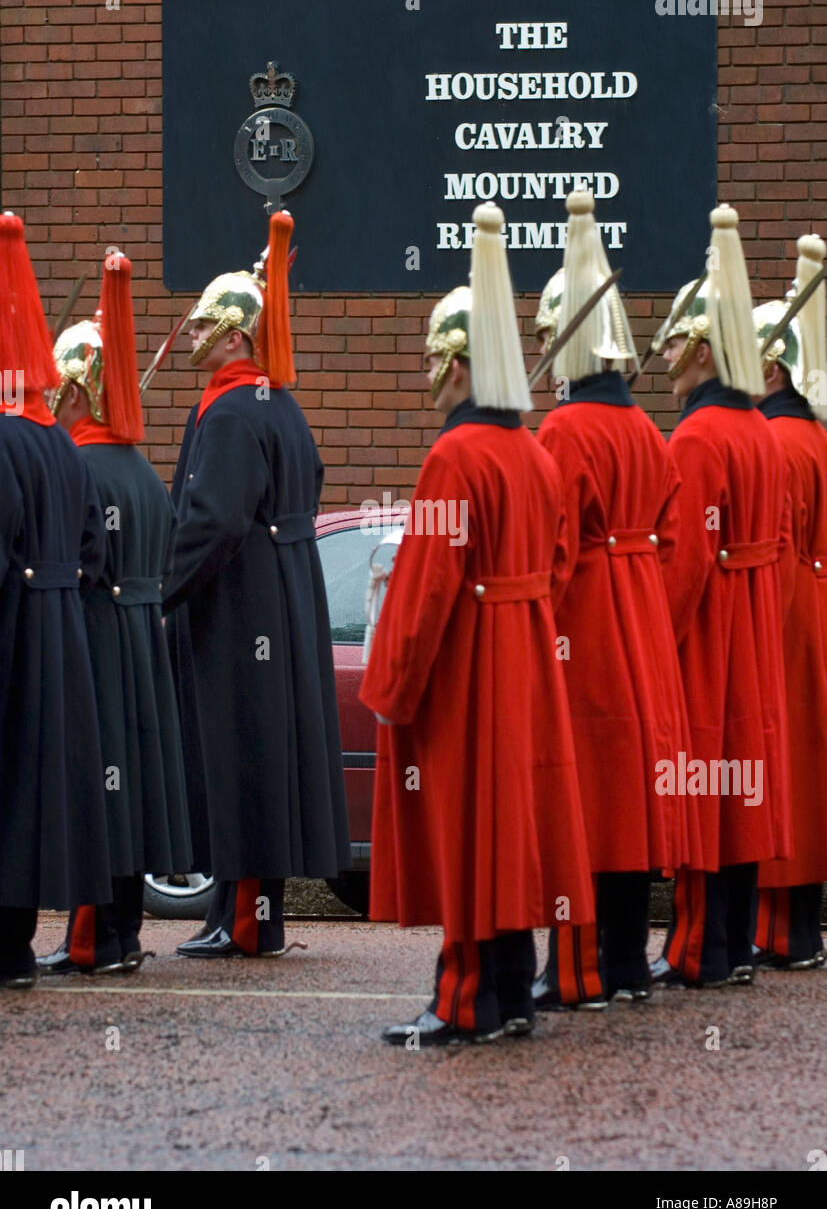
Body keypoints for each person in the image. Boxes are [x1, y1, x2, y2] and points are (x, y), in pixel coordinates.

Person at [360, 201, 594, 1047]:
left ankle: (464, 1000)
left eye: (432, 355)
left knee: (469, 832)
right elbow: (562, 560)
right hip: (525, 650)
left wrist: (392, 684)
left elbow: (425, 587)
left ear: (456, 361)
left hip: (471, 665)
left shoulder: (454, 455)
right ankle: (509, 993)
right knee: (512, 831)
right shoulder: (533, 452)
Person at [531, 190, 702, 1011]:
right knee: (630, 795)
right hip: (636, 616)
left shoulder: (563, 432)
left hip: (588, 620)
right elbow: (673, 543)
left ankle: (576, 967)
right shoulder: (647, 430)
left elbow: (556, 550)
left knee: (582, 794)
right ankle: (627, 963)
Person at [163, 212, 350, 958]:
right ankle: (247, 913)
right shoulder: (277, 404)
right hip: (278, 594)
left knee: (239, 752)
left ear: (237, 336)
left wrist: (160, 588)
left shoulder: (235, 411)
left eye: (209, 323)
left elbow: (212, 519)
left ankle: (243, 918)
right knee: (262, 753)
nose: (194, 334)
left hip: (240, 605)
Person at [37, 252, 192, 976]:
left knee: (99, 784)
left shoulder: (79, 467)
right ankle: (123, 933)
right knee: (127, 782)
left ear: (78, 392)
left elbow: (81, 564)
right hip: (141, 633)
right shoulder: (140, 469)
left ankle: (92, 939)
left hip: (99, 632)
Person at [650, 203, 792, 988]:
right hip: (754, 623)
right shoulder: (761, 431)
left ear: (700, 348)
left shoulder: (700, 435)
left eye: (672, 342)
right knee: (738, 790)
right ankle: (734, 946)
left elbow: (686, 560)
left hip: (711, 632)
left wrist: (657, 640)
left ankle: (698, 947)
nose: (663, 355)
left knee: (704, 788)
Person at [0, 212, 111, 988]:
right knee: (31, 793)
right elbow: (87, 549)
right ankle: (13, 950)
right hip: (59, 627)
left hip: (13, 625)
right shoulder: (61, 446)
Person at [752, 234, 827, 970]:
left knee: (779, 773)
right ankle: (799, 930)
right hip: (815, 611)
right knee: (807, 774)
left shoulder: (774, 443)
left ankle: (776, 930)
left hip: (782, 614)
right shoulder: (814, 435)